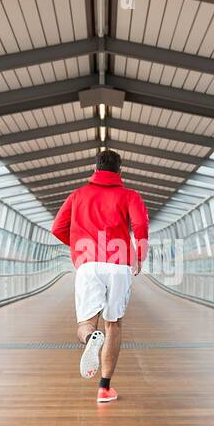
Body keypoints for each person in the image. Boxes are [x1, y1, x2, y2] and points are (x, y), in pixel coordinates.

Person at [50, 149, 149, 404]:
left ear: (94, 169)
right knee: (113, 323)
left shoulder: (78, 195)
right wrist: (139, 255)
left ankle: (90, 339)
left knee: (86, 323)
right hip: (119, 265)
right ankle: (104, 388)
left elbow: (57, 228)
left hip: (88, 263)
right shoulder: (130, 195)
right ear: (120, 172)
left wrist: (78, 245)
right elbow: (140, 227)